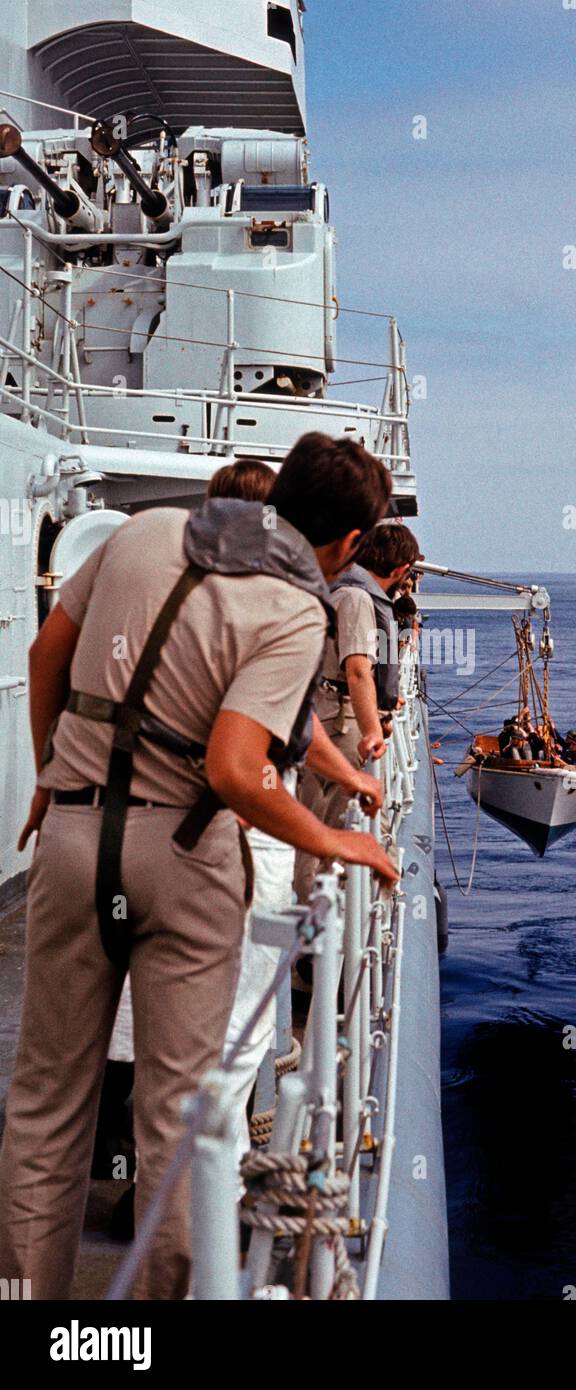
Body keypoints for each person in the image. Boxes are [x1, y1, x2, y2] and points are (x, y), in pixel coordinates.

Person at [0, 432, 398, 1301]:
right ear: (350, 542)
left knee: (43, 1108)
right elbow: (234, 767)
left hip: (71, 837)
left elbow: (44, 659)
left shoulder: (139, 533)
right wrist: (336, 840)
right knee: (179, 1124)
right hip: (185, 854)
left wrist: (50, 779)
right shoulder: (298, 610)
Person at [293, 520, 421, 908]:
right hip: (339, 722)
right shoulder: (356, 599)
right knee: (333, 822)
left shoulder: (344, 590)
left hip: (328, 714)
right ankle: (326, 936)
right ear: (400, 570)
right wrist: (372, 730)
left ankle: (320, 926)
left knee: (318, 821)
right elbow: (357, 670)